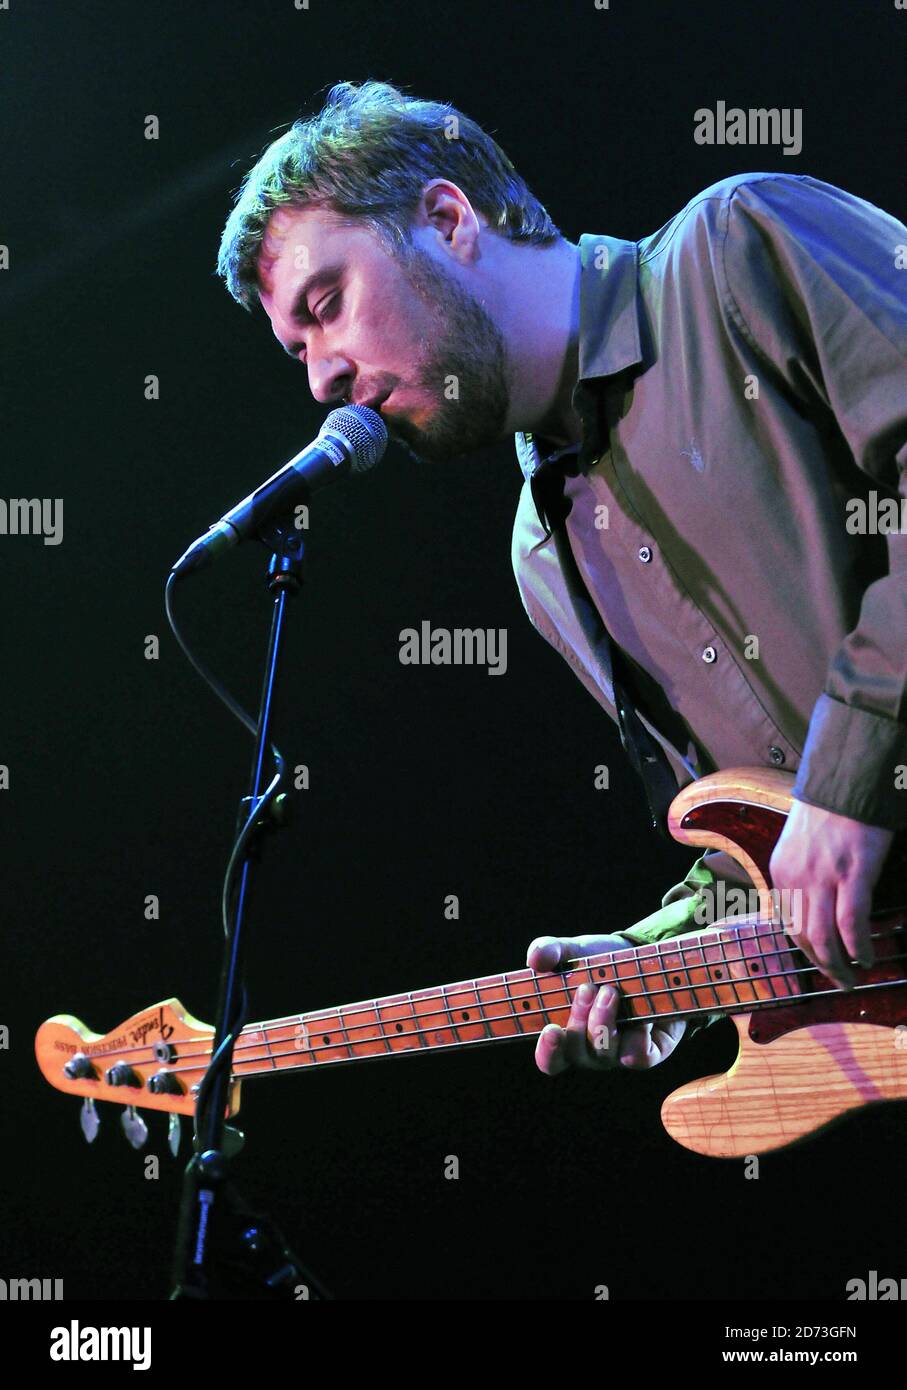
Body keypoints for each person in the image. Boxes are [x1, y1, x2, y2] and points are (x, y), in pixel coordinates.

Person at [215, 81, 907, 1077]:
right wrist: (658, 963)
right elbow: (760, 842)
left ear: (447, 219)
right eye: (298, 351)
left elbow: (832, 806)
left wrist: (850, 778)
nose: (321, 377)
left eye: (327, 307)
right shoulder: (540, 558)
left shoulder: (737, 246)